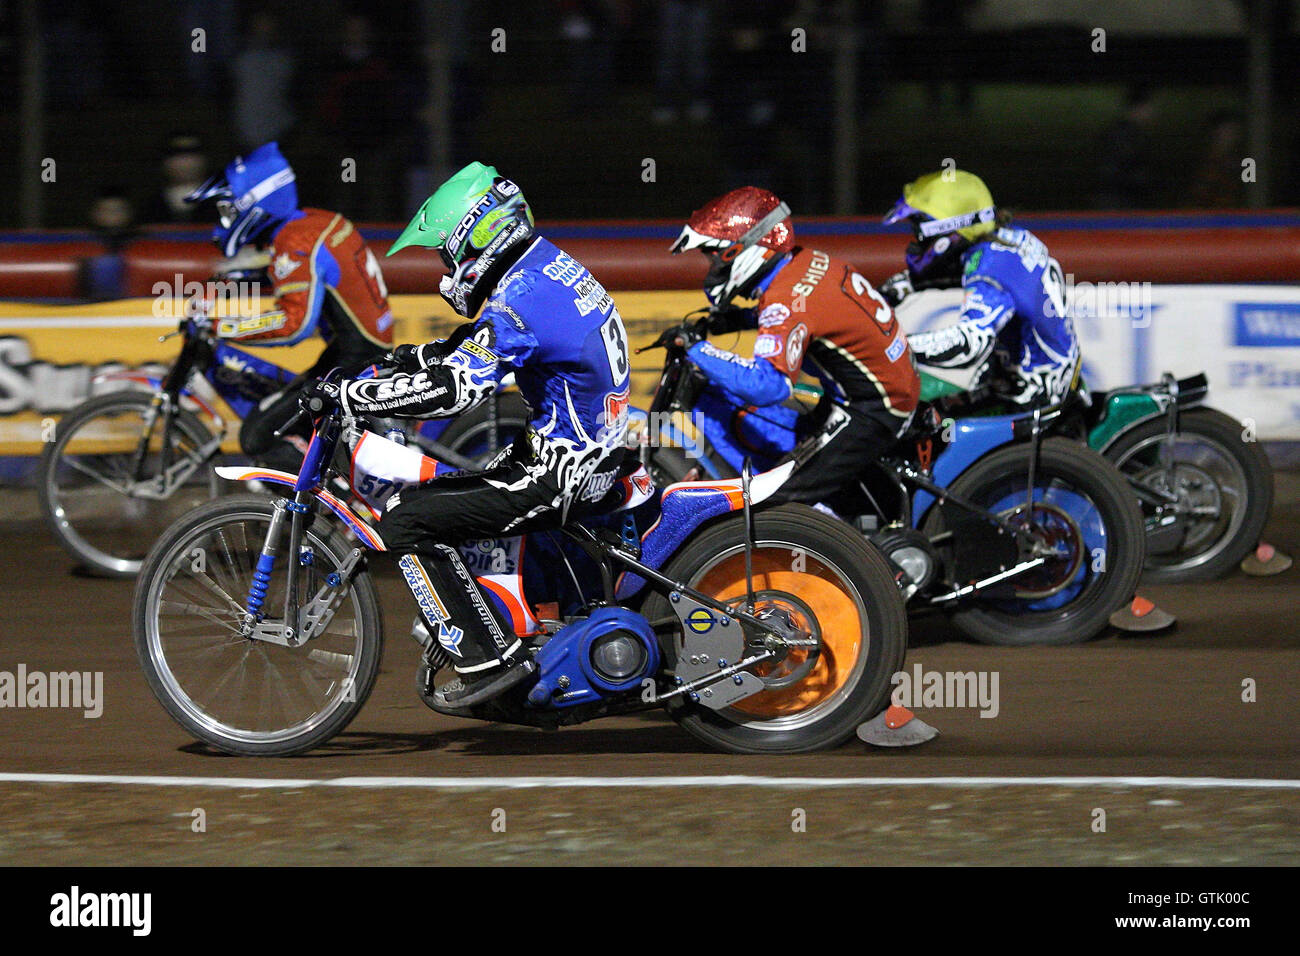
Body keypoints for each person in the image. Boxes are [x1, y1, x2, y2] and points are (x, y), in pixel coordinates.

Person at [306, 163, 631, 711]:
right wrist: (406, 360)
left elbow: (457, 389)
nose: (444, 268)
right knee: (460, 490)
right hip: (593, 455)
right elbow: (470, 351)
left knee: (407, 517)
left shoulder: (523, 296)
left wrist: (351, 398)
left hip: (560, 472)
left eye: (445, 254)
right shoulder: (546, 267)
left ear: (476, 236)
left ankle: (487, 664)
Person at [669, 186, 920, 514]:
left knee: (776, 502)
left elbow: (768, 385)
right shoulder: (806, 261)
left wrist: (697, 349)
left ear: (744, 250)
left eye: (714, 256)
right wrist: (740, 319)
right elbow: (813, 315)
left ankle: (848, 557)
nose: (712, 268)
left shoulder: (783, 299)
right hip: (883, 389)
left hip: (872, 409)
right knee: (787, 454)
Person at [185, 141, 395, 471]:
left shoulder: (294, 240)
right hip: (362, 352)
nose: (223, 223)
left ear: (254, 203)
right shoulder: (309, 222)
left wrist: (224, 328)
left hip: (353, 362)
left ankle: (334, 504)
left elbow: (295, 324)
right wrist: (243, 275)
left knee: (257, 437)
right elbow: (304, 273)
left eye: (228, 211)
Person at [880, 168, 1081, 409]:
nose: (915, 243)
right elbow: (961, 275)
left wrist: (891, 346)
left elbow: (969, 344)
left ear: (947, 230)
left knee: (920, 422)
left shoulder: (990, 270)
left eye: (918, 232)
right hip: (1055, 378)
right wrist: (901, 288)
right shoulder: (1008, 239)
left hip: (1029, 398)